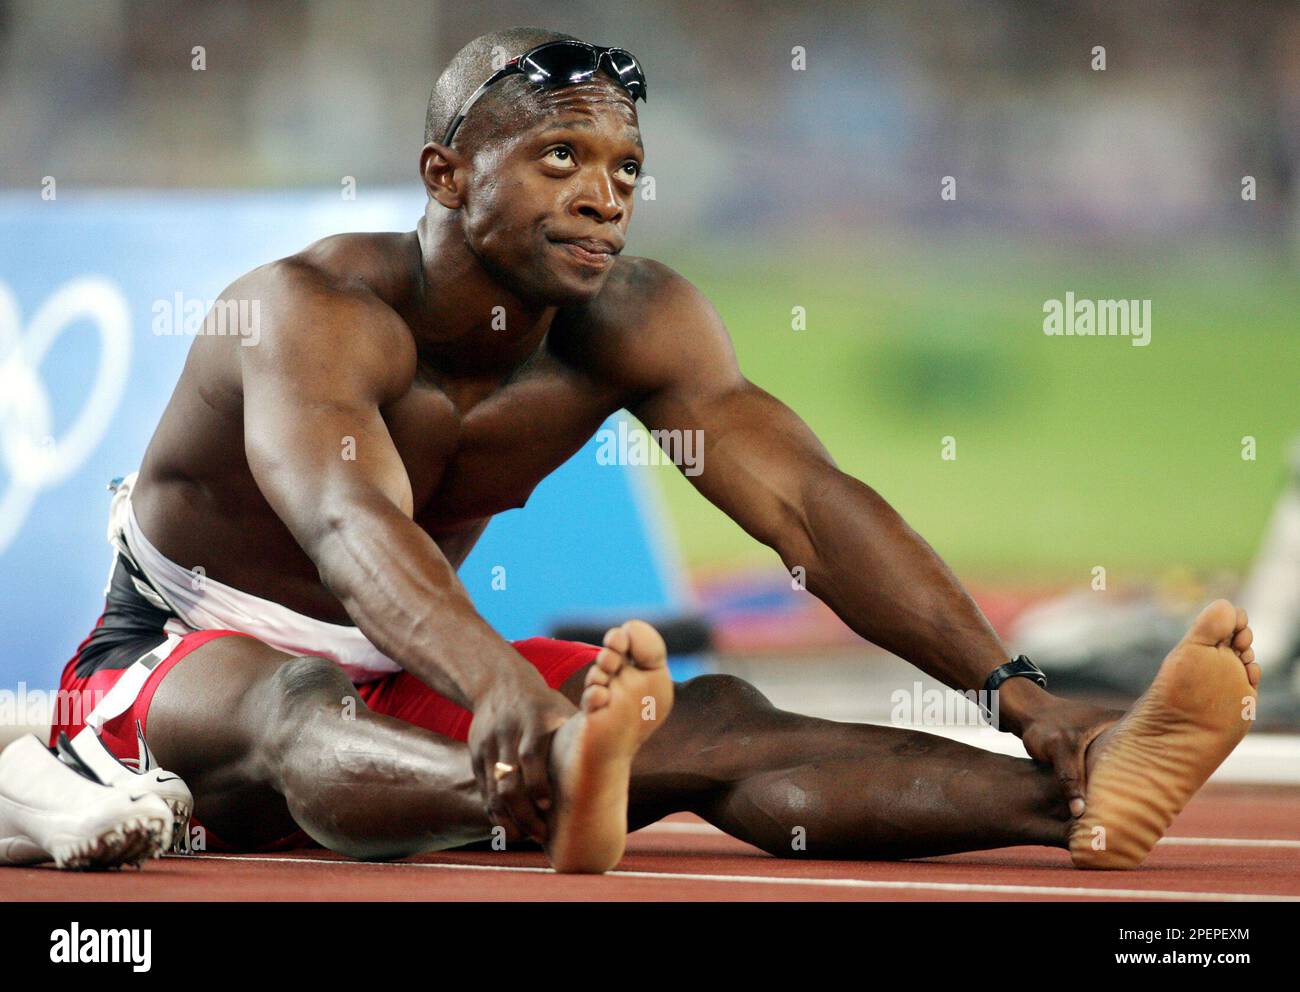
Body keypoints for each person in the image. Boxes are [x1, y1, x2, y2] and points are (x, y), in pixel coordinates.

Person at [31, 27, 1259, 873]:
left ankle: (1074, 792)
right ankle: (554, 778)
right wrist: (504, 686)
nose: (604, 195)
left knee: (714, 712)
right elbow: (354, 533)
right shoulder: (313, 312)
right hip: (182, 659)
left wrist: (1018, 692)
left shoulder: (633, 326)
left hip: (404, 665)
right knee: (287, 695)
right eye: (559, 156)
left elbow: (811, 512)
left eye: (626, 168)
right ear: (445, 174)